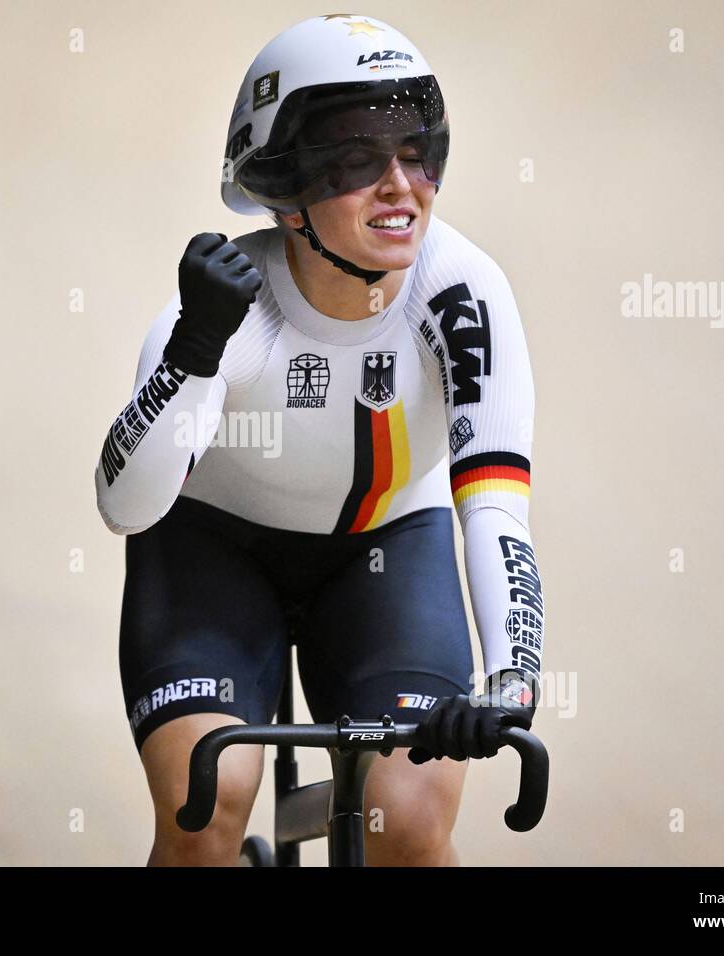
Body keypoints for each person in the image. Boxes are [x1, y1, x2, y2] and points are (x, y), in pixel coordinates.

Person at [95, 14, 544, 866]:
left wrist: (513, 683)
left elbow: (495, 514)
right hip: (210, 554)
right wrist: (194, 353)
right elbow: (124, 503)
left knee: (408, 824)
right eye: (353, 159)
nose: (399, 186)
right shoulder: (227, 312)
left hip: (385, 554)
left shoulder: (464, 295)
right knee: (206, 807)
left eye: (419, 152)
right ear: (286, 186)